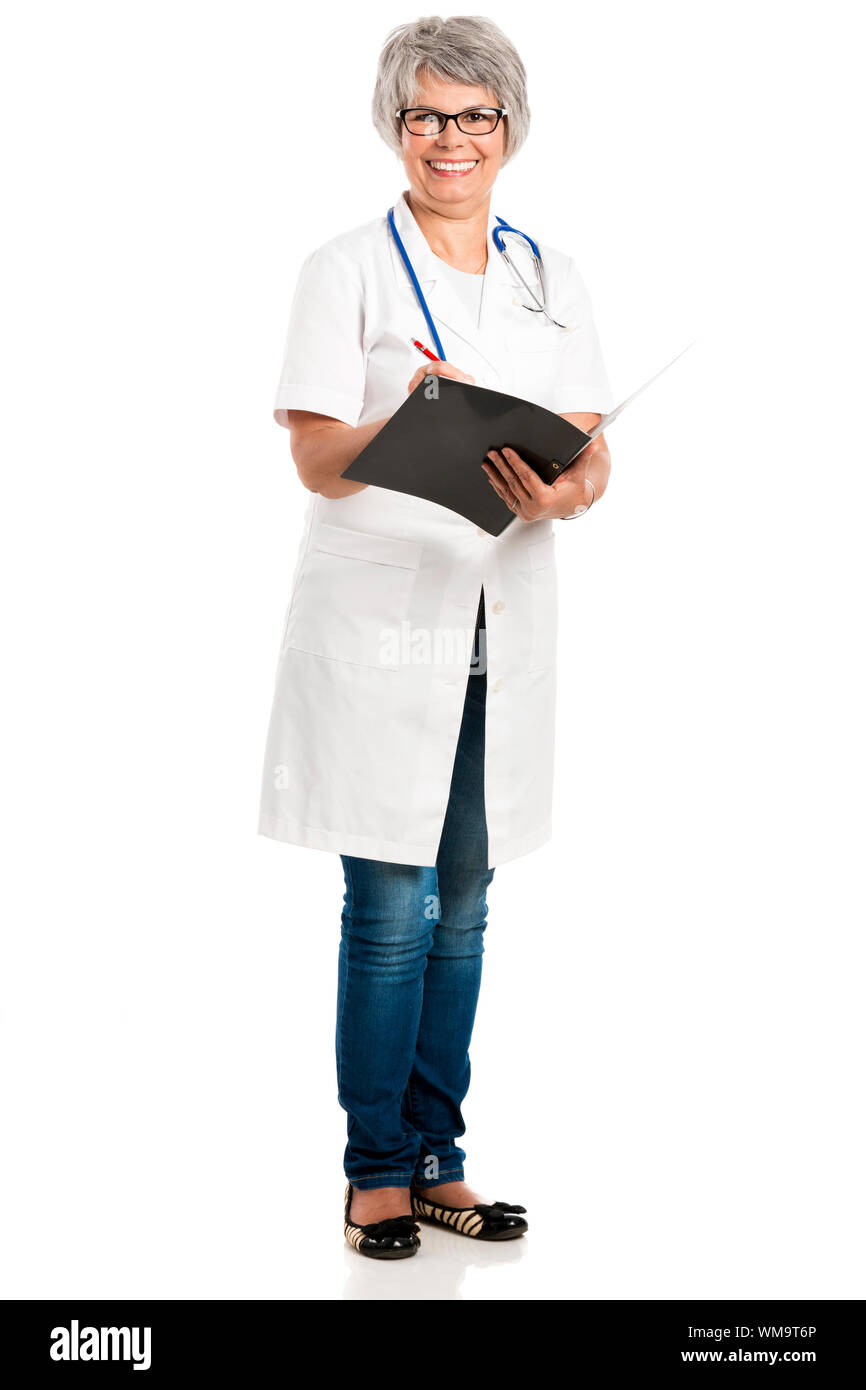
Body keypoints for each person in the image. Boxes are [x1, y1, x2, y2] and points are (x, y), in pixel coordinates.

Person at [259, 14, 614, 1260]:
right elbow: (313, 456)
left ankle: (437, 1158)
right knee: (387, 910)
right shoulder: (342, 266)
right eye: (423, 115)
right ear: (392, 127)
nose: (448, 138)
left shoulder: (547, 272)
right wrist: (409, 422)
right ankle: (373, 1173)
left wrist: (562, 489)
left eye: (472, 116)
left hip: (498, 629)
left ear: (507, 128)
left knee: (465, 908)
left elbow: (591, 449)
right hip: (381, 625)